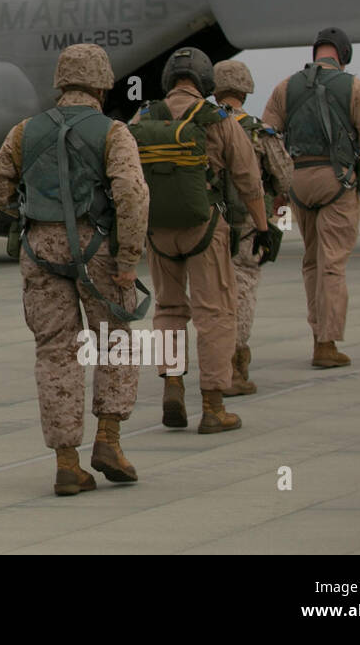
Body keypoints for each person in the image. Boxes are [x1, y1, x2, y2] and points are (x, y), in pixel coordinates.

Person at [0, 43, 150, 497]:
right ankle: (109, 443)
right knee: (115, 340)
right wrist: (129, 259)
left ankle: (66, 465)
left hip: (39, 251)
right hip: (99, 251)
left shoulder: (23, 132)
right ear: (102, 83)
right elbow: (133, 194)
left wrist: (30, 216)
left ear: (60, 82)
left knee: (55, 351)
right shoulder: (114, 132)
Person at [129, 48, 274, 433]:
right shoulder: (218, 118)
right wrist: (262, 227)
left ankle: (172, 385)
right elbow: (249, 180)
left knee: (169, 309)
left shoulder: (143, 116)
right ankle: (213, 405)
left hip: (158, 231)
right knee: (214, 312)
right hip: (205, 228)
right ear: (205, 81)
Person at [261, 27, 360, 367]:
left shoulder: (284, 87)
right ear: (343, 54)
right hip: (337, 181)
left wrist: (275, 188)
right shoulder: (354, 87)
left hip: (298, 184)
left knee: (311, 261)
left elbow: (264, 136)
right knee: (332, 263)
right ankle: (326, 343)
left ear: (315, 52)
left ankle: (316, 336)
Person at [212, 59, 293, 394]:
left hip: (209, 225)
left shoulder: (202, 127)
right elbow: (285, 175)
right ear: (245, 90)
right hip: (247, 224)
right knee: (242, 288)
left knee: (213, 294)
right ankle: (234, 364)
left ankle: (211, 365)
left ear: (215, 90)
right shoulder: (259, 131)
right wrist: (280, 198)